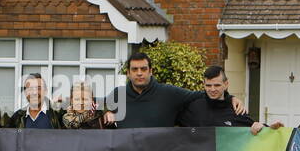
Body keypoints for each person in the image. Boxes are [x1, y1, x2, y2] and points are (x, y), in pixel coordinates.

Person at [102, 51, 247, 128]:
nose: (139, 73)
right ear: (128, 73)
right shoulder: (117, 95)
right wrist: (106, 111)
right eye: (134, 69)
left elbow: (204, 94)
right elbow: (92, 109)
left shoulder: (169, 93)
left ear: (151, 71)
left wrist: (230, 98)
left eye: (143, 69)